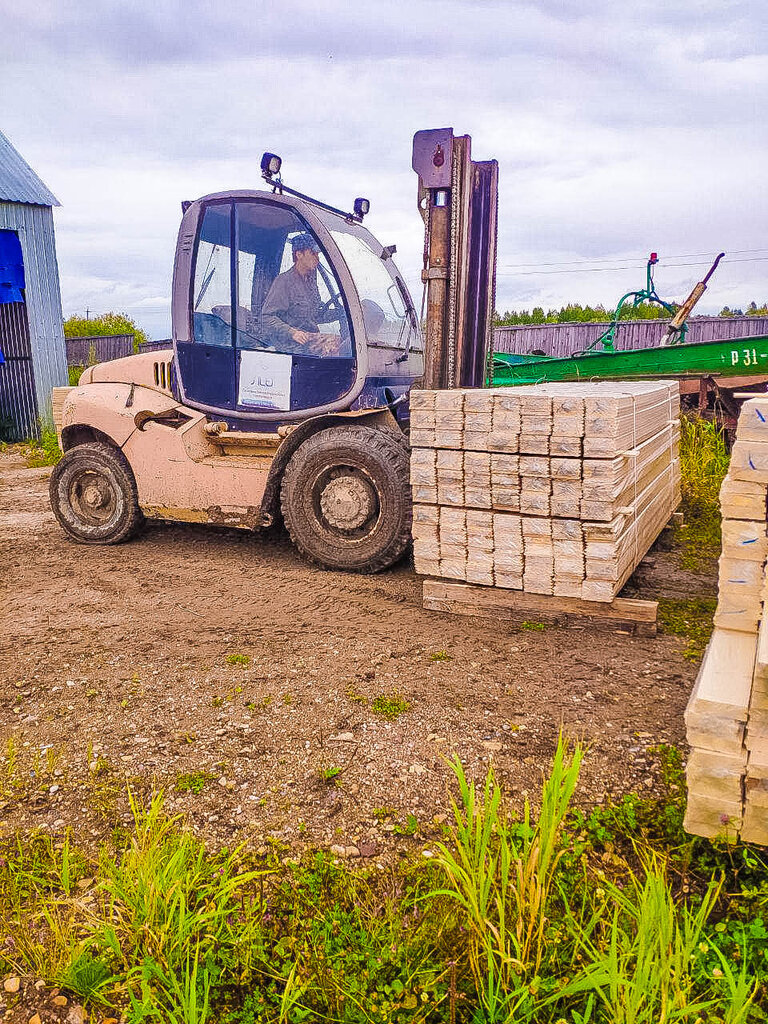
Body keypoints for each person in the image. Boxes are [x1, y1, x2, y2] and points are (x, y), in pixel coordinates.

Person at [260, 233, 343, 354]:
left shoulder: (310, 283)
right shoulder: (284, 281)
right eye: (312, 253)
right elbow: (266, 317)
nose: (317, 258)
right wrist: (292, 332)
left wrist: (341, 314)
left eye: (317, 254)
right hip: (289, 343)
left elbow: (314, 316)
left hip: (308, 339)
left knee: (349, 342)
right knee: (335, 342)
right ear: (299, 254)